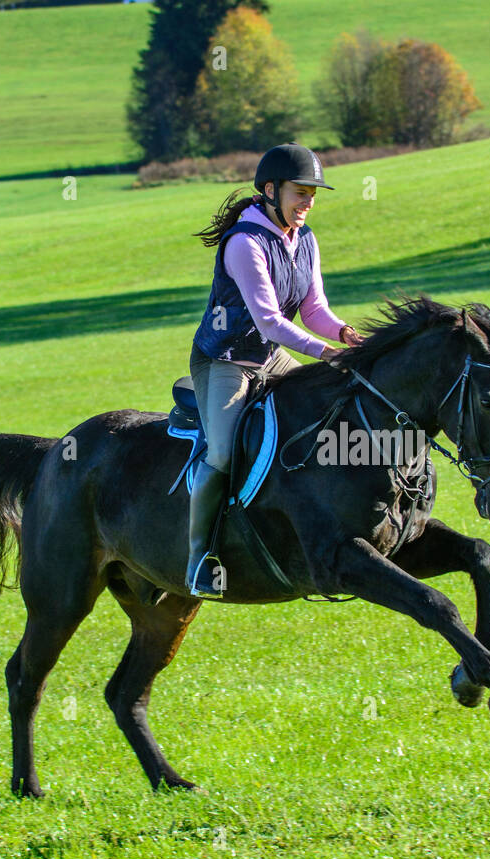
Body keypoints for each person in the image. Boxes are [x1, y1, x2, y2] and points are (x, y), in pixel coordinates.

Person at [185, 142, 364, 598]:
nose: (308, 202)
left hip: (271, 357)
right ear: (270, 190)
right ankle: (198, 558)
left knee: (331, 403)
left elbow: (314, 309)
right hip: (225, 360)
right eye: (300, 192)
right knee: (223, 454)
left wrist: (344, 334)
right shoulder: (245, 243)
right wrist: (323, 354)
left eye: (312, 194)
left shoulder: (304, 240)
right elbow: (269, 321)